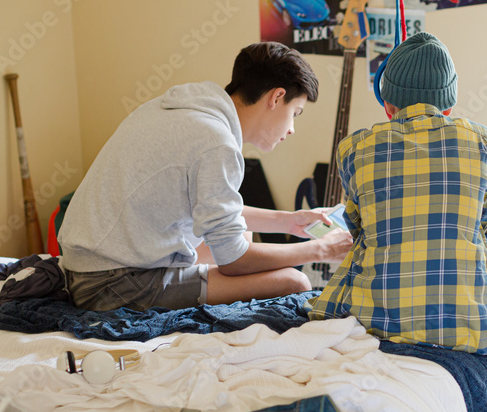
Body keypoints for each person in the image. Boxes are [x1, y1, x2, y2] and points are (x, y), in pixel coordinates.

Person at [58, 42, 353, 311]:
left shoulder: (188, 109)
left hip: (89, 264)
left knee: (241, 235)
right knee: (294, 283)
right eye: (295, 113)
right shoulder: (217, 143)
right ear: (276, 98)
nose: (291, 129)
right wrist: (321, 249)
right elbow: (234, 261)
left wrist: (287, 220)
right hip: (109, 284)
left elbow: (213, 212)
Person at [308, 32, 487, 359]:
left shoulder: (354, 148)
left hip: (375, 321)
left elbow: (358, 230)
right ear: (448, 107)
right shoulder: (481, 141)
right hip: (469, 327)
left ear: (388, 105)